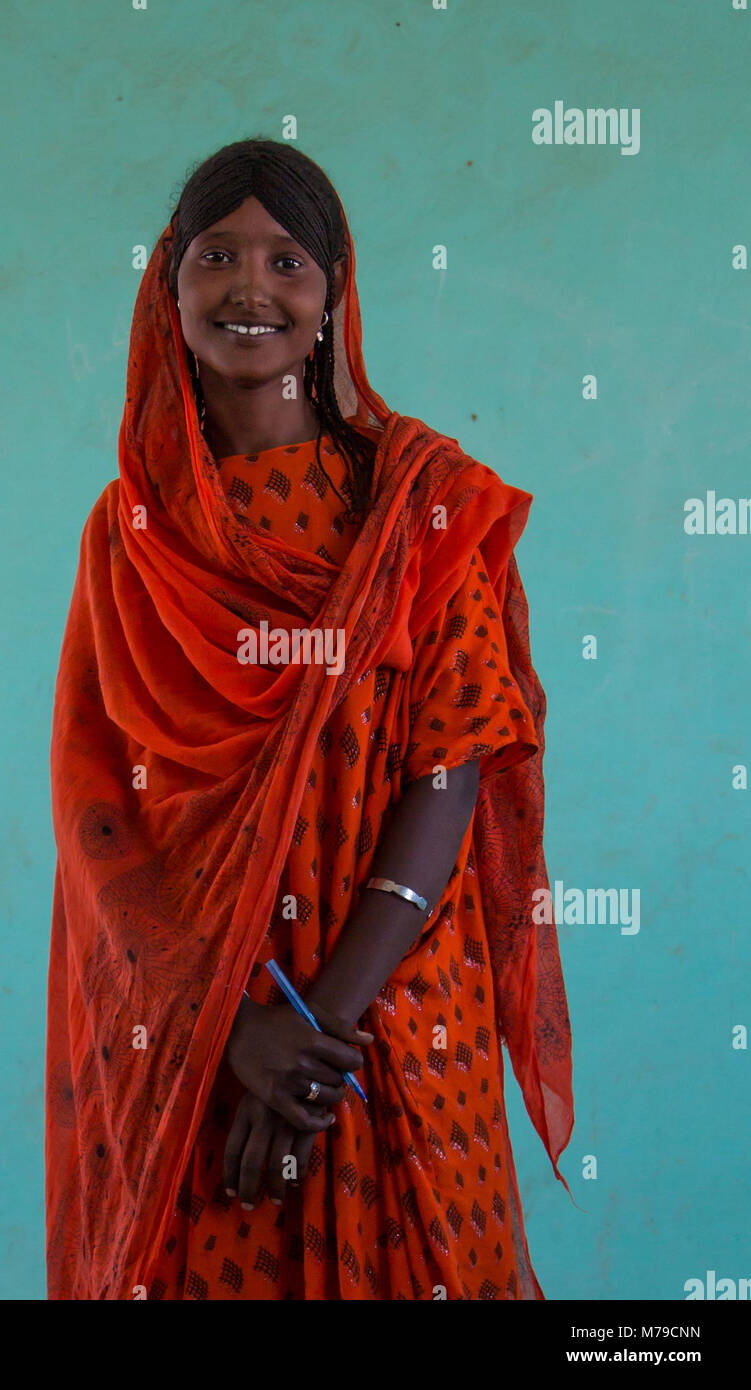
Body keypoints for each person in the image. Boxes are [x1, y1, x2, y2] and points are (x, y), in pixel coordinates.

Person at [45, 137, 574, 1301]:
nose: (250, 287)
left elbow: (455, 764)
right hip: (194, 1038)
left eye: (288, 260)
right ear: (166, 284)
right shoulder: (130, 535)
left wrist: (313, 1041)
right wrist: (233, 1028)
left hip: (393, 1002)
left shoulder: (415, 504)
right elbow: (98, 814)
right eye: (217, 255)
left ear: (333, 295)